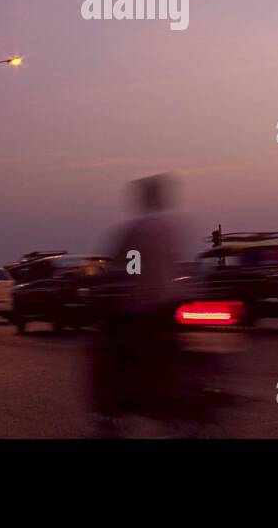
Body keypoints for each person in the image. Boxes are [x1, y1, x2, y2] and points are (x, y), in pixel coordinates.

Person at [90, 174, 197, 433]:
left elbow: (116, 264)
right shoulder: (173, 226)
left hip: (143, 307)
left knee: (114, 352)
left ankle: (122, 403)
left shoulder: (136, 229)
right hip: (173, 302)